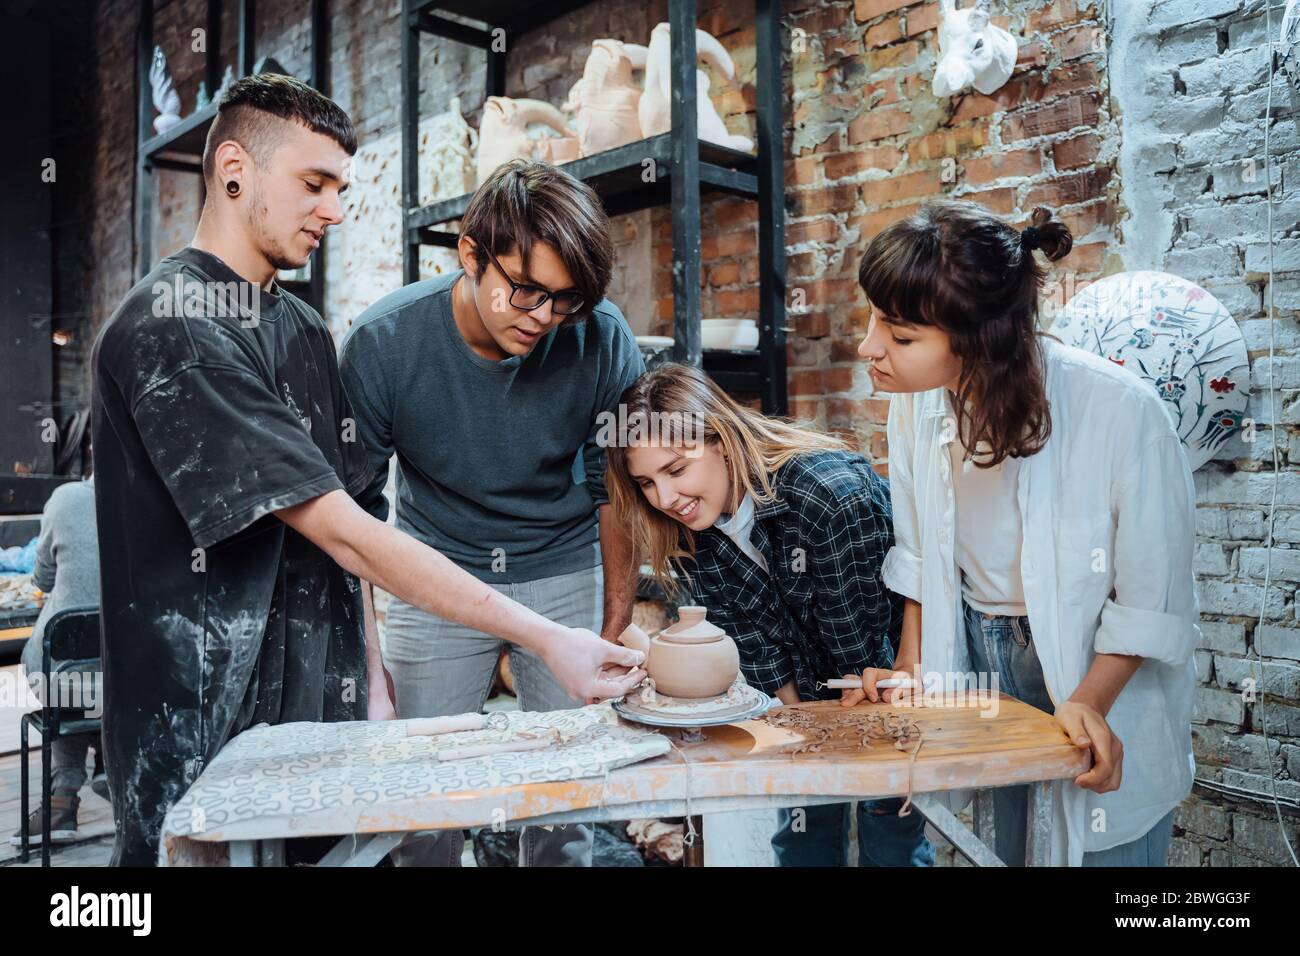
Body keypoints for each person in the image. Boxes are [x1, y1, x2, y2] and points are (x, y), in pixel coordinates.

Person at [90, 75, 643, 867]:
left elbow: (350, 522)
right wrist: (536, 637)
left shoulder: (304, 330)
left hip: (305, 691)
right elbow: (344, 528)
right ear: (234, 170)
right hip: (197, 698)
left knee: (517, 823)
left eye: (340, 188)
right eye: (314, 184)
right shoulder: (174, 324)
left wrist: (368, 677)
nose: (336, 211)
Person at [853, 200, 1198, 866]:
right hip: (979, 655)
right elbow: (921, 556)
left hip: (1094, 662)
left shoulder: (1121, 412)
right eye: (874, 320)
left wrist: (1089, 702)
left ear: (980, 339)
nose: (870, 347)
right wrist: (910, 672)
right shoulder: (917, 407)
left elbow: (1150, 599)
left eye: (900, 336)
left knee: (1101, 844)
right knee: (1003, 847)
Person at [339, 159, 644, 867]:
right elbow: (351, 522)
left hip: (562, 564)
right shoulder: (384, 343)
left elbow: (617, 489)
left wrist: (611, 627)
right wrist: (370, 669)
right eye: (527, 291)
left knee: (565, 804)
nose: (545, 318)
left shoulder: (601, 336)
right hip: (433, 575)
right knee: (421, 806)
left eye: (564, 300)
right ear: (471, 254)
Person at [603, 363, 933, 867]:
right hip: (810, 690)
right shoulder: (692, 529)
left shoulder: (825, 495)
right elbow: (756, 648)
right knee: (801, 835)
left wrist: (841, 741)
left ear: (721, 441)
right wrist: (796, 732)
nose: (665, 498)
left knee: (889, 837)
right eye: (646, 482)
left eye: (676, 470)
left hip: (883, 679)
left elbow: (862, 654)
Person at [10, 477, 103, 846]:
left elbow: (43, 579)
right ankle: (108, 758)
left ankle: (61, 801)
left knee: (63, 676)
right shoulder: (148, 502)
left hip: (62, 672)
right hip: (128, 673)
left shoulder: (66, 498)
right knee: (95, 678)